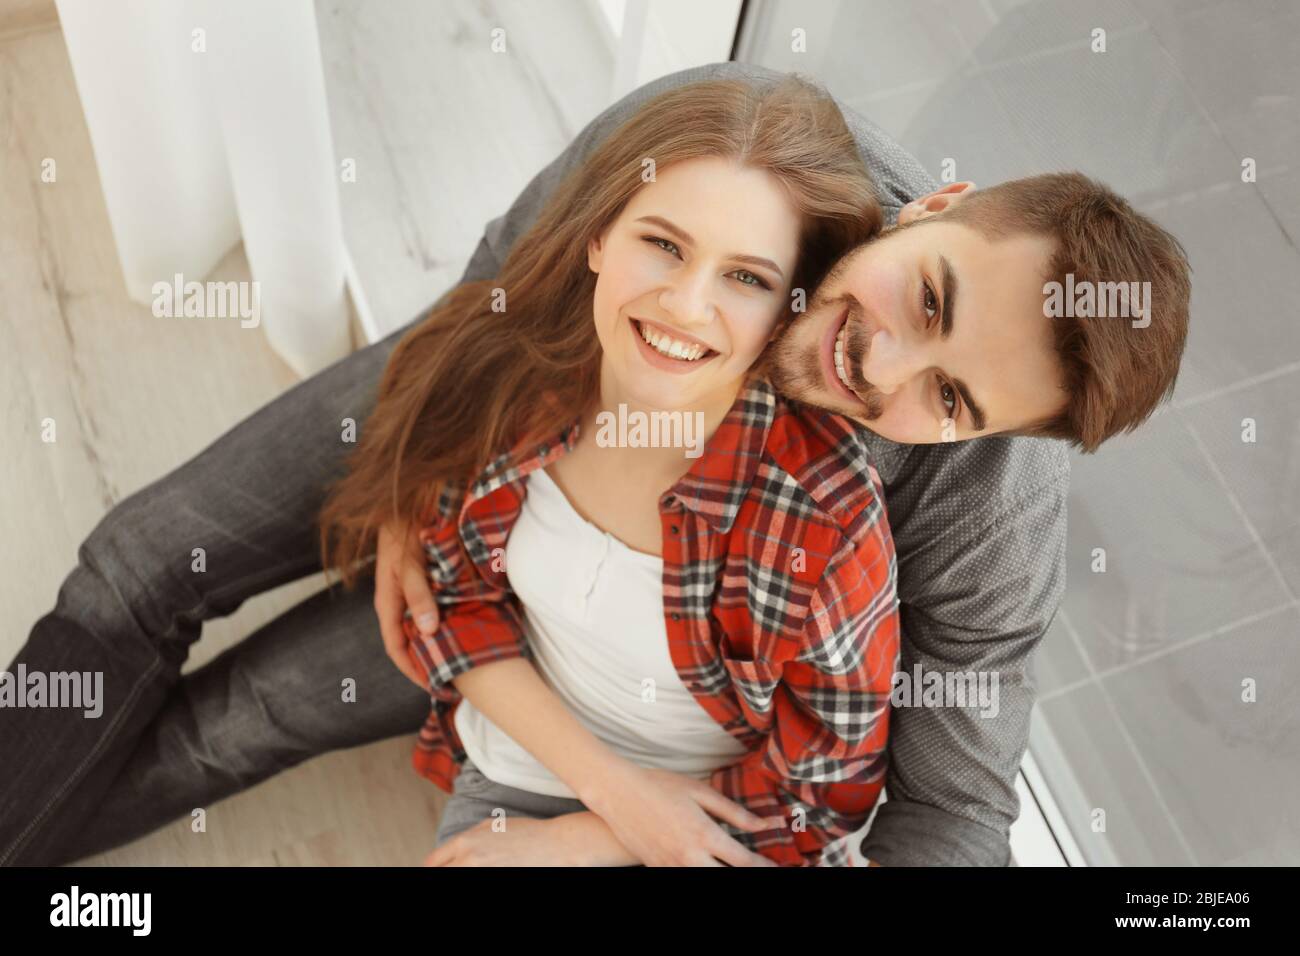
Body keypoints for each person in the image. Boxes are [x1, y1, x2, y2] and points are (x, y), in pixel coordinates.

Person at [0, 62, 1190, 867]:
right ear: (938, 202)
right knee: (139, 558)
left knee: (246, 719)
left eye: (948, 398)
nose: (879, 365)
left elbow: (949, 804)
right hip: (490, 414)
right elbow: (498, 279)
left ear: (992, 433)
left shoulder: (960, 519)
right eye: (923, 297)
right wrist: (411, 487)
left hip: (577, 653)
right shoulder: (730, 128)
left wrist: (617, 814)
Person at [319, 74, 895, 867]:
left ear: (790, 310)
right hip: (526, 770)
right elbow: (456, 603)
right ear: (598, 235)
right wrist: (612, 796)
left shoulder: (819, 514)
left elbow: (825, 786)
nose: (686, 307)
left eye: (747, 278)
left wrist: (597, 841)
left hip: (718, 826)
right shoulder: (516, 375)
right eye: (663, 244)